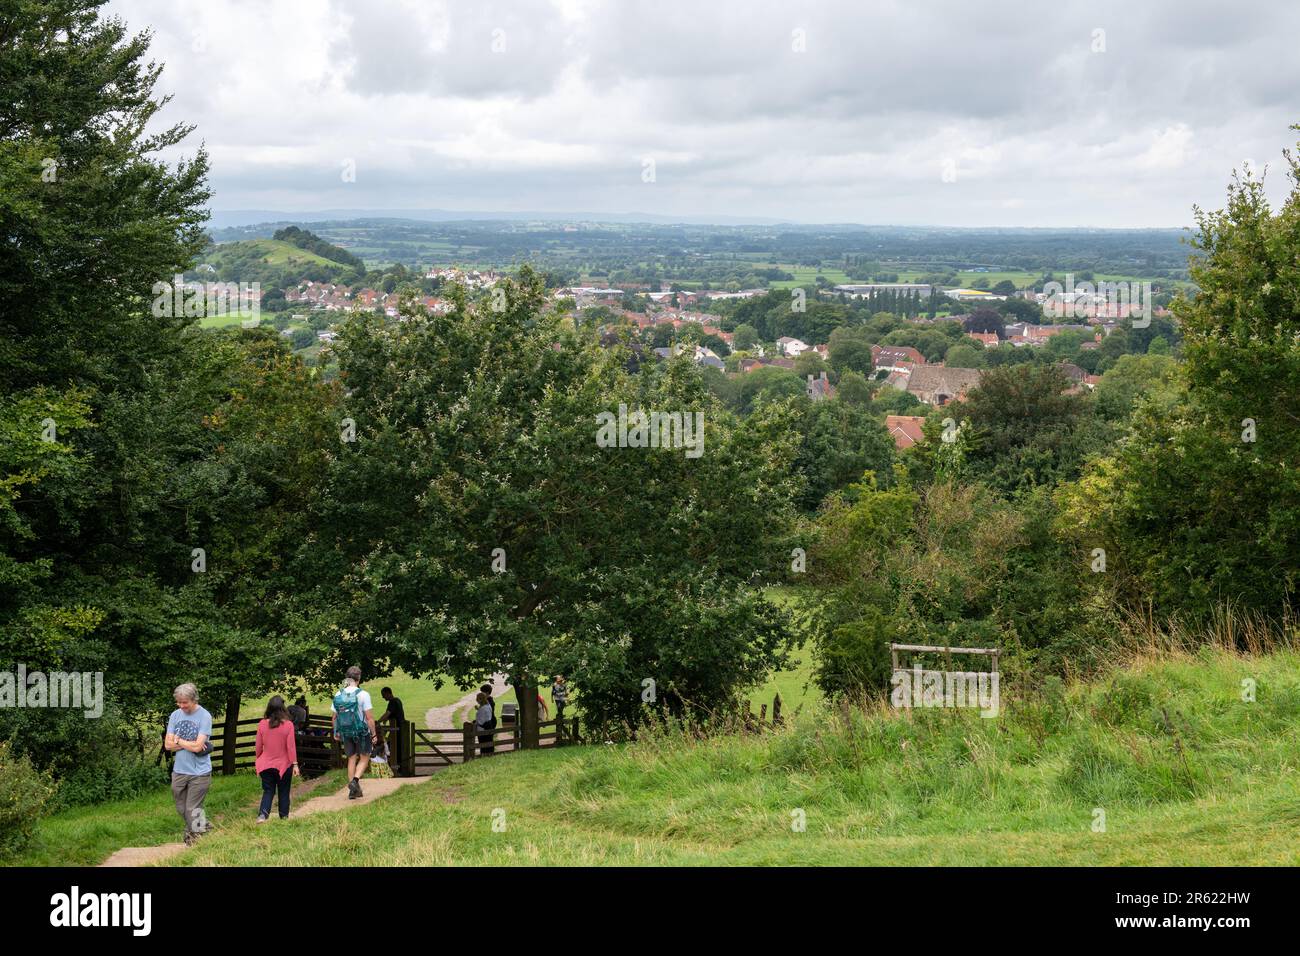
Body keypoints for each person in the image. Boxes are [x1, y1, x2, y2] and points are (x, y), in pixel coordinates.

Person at [165, 682, 213, 846]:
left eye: (184, 702)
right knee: (181, 808)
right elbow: (168, 745)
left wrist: (178, 740)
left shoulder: (205, 716)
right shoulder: (175, 715)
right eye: (179, 702)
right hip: (179, 771)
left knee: (193, 809)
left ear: (194, 700)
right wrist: (189, 744)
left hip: (200, 772)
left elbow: (198, 747)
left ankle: (195, 839)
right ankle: (204, 825)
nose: (181, 705)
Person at [331, 665, 377, 799]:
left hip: (346, 732)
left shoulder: (338, 694)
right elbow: (369, 718)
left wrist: (336, 732)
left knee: (351, 758)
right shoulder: (363, 694)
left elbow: (334, 717)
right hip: (361, 732)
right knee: (365, 757)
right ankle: (355, 781)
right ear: (359, 678)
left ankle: (353, 791)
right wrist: (373, 734)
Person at [254, 696, 299, 821]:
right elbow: (291, 747)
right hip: (284, 765)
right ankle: (284, 818)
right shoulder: (288, 725)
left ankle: (262, 816)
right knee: (284, 792)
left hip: (266, 764)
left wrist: (258, 760)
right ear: (283, 708)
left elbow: (258, 746)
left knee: (268, 791)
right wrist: (295, 764)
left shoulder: (262, 724)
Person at [376, 687, 405, 770]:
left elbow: (387, 713)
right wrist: (385, 720)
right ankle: (398, 767)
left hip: (397, 729)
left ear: (388, 693)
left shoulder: (392, 702)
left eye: (383, 695)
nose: (383, 697)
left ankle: (395, 767)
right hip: (400, 728)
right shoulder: (397, 700)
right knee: (395, 747)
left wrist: (378, 722)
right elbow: (391, 714)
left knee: (393, 747)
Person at [474, 691, 496, 755]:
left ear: (481, 699)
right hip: (489, 725)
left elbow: (481, 721)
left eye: (477, 699)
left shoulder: (483, 708)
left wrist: (475, 723)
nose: (476, 700)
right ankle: (489, 755)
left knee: (483, 744)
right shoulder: (488, 705)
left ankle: (484, 755)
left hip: (483, 728)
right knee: (489, 742)